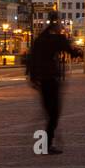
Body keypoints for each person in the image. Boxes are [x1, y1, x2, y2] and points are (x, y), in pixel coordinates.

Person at [27, 12, 79, 155]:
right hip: (51, 79)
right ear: (57, 23)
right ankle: (46, 145)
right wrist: (75, 48)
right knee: (54, 114)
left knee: (49, 112)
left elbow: (31, 59)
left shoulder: (40, 39)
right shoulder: (57, 39)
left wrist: (33, 78)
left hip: (42, 80)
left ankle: (45, 143)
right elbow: (73, 52)